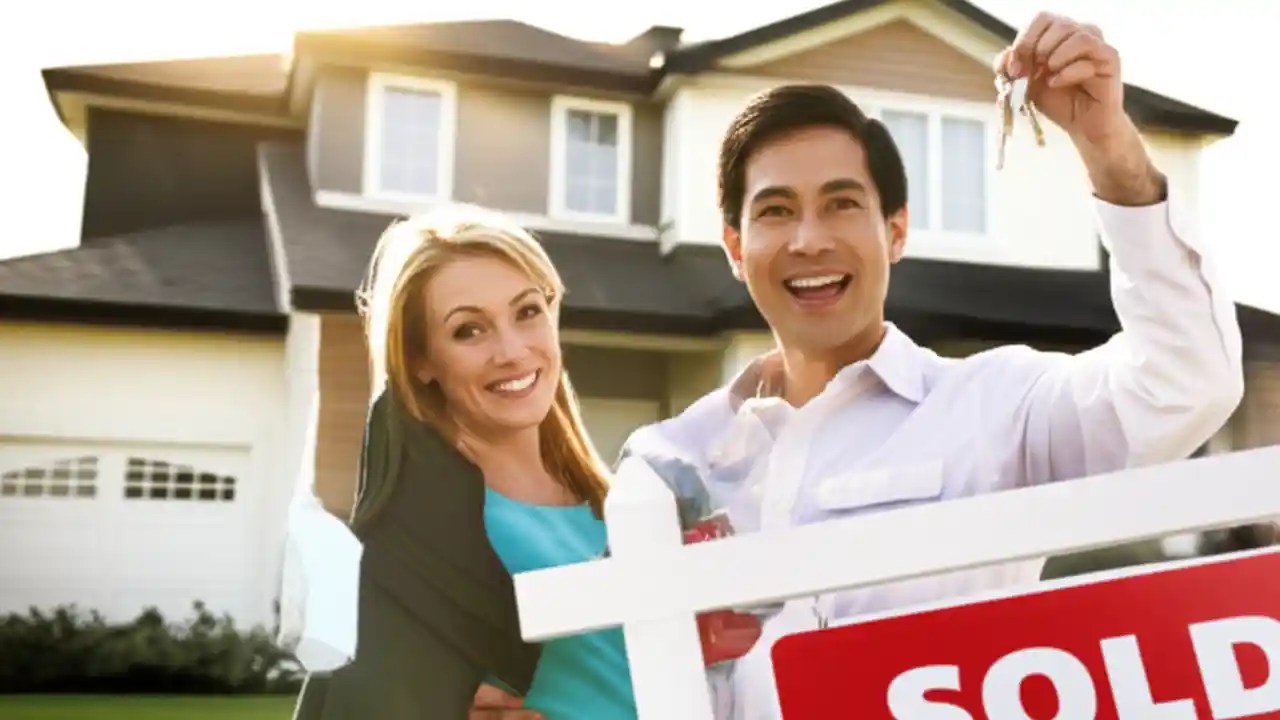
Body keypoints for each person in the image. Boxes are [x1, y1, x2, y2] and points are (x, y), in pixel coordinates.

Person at [473, 10, 1244, 720]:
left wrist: (1110, 149)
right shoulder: (668, 463)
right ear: (736, 248)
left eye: (842, 203)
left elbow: (1185, 381)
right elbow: (616, 678)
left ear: (895, 231)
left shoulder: (997, 408)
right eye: (776, 211)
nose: (809, 239)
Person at [288, 206, 637, 720]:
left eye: (527, 312)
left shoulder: (625, 501)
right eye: (469, 331)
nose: (513, 351)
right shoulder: (418, 543)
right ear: (421, 361)